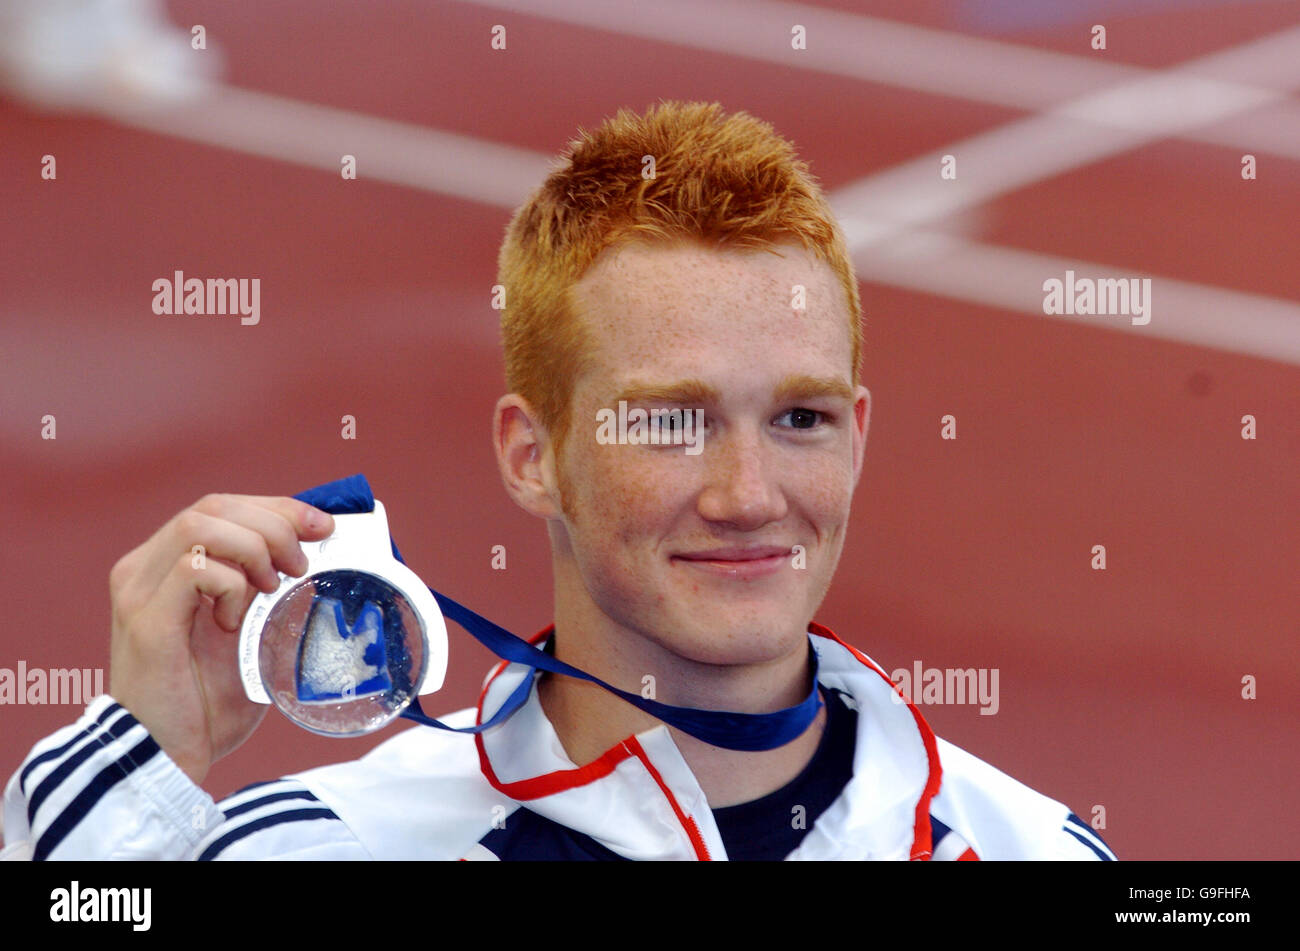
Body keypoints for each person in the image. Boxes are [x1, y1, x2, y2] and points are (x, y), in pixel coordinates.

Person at [2, 101, 1116, 861]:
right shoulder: (333, 846)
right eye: (670, 421)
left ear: (859, 438)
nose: (748, 493)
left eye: (800, 418)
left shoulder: (1029, 849)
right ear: (532, 457)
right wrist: (137, 774)